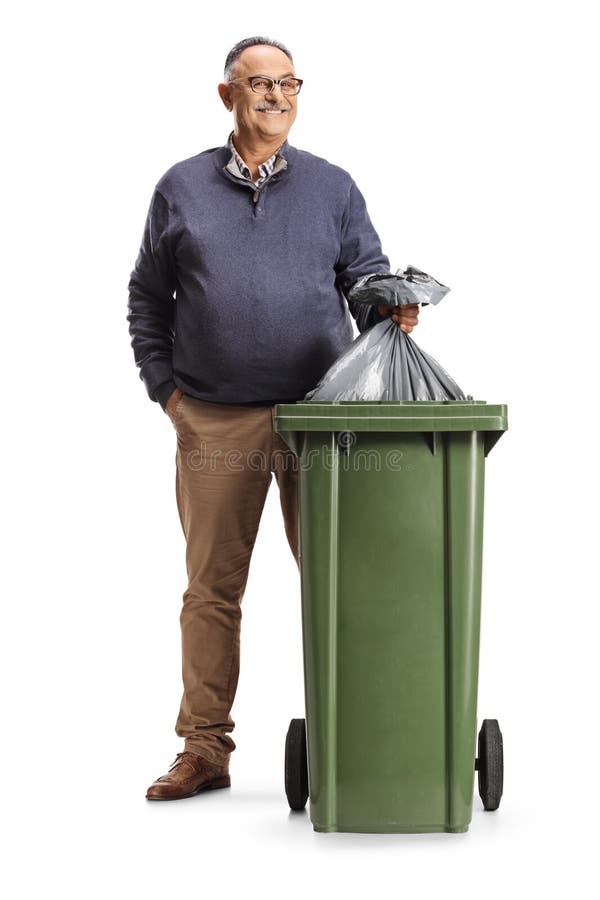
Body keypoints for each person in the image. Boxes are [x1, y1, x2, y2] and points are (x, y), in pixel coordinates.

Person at [127, 35, 420, 801]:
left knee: (340, 583)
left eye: (289, 83)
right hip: (213, 419)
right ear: (227, 95)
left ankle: (354, 739)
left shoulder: (333, 187)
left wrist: (389, 306)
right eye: (258, 83)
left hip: (319, 420)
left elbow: (364, 280)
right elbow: (147, 297)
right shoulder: (181, 187)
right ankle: (204, 750)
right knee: (211, 591)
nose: (276, 95)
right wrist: (168, 393)